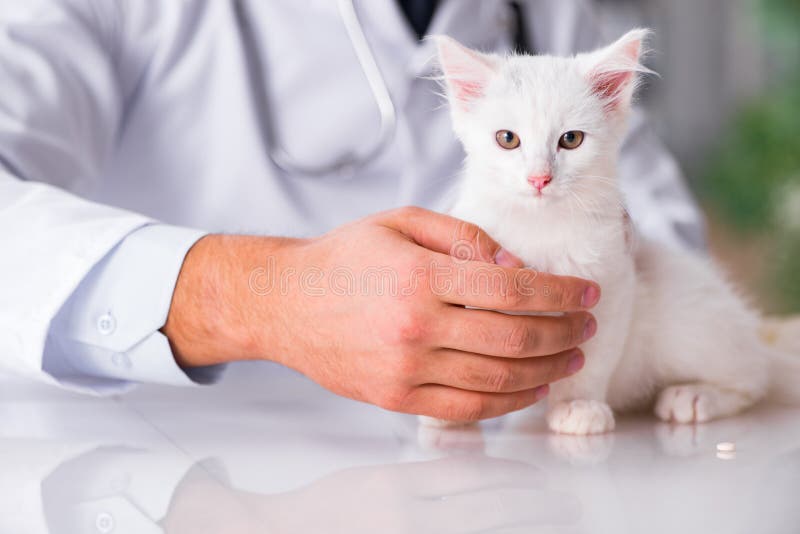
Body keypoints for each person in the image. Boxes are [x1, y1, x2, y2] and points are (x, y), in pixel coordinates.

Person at [0, 0, 704, 421]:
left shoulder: (544, 15)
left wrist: (595, 261)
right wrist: (252, 298)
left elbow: (657, 228)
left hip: (482, 485)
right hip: (155, 469)